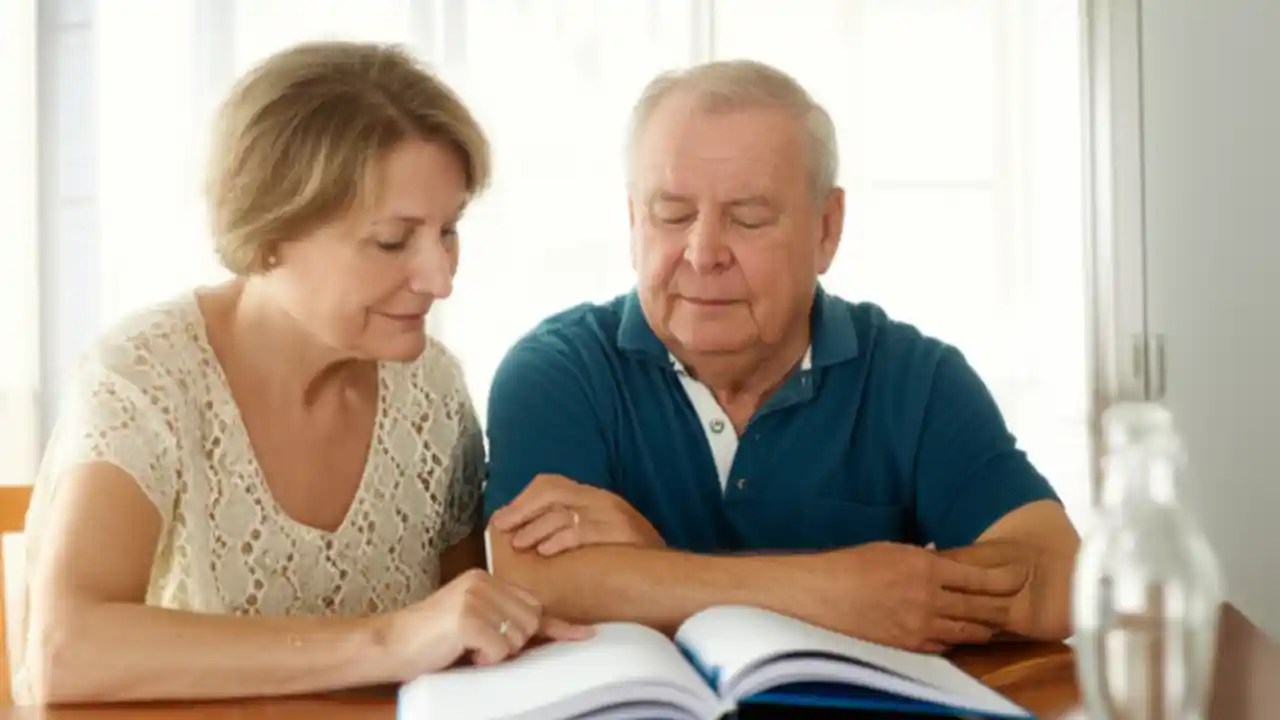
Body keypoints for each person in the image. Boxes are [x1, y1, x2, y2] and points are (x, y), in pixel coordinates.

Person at [16, 41, 587, 705]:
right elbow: (67, 651)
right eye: (391, 241)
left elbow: (453, 648)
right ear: (268, 236)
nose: (440, 278)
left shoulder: (431, 391)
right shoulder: (144, 381)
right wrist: (383, 640)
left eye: (449, 230)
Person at [483, 60, 1079, 652]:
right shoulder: (557, 371)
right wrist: (836, 593)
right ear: (634, 221)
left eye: (748, 218)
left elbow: (1054, 579)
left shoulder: (916, 379)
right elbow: (531, 581)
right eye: (673, 215)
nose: (703, 252)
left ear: (827, 229)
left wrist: (648, 572)